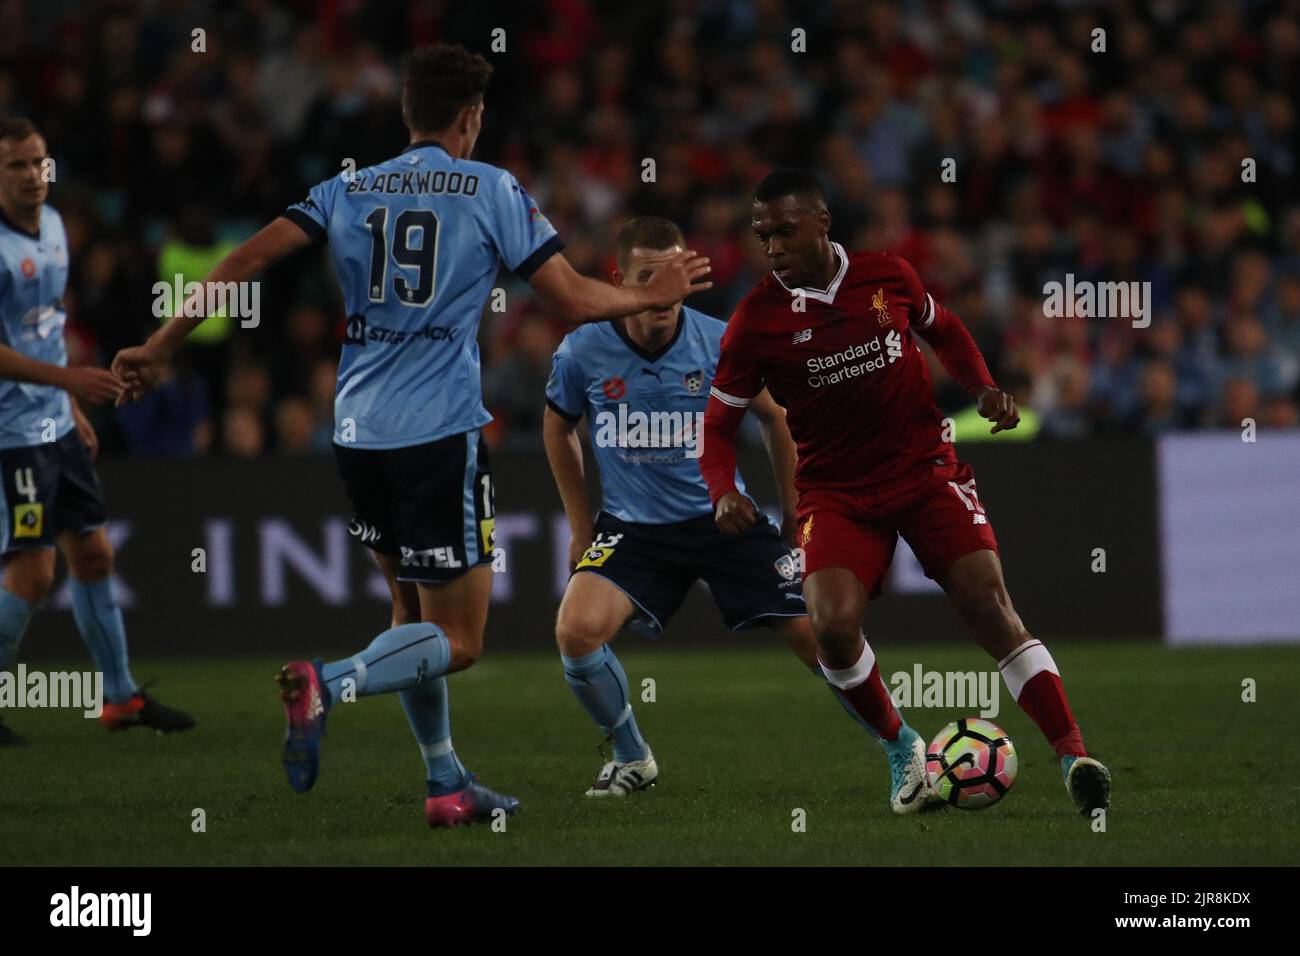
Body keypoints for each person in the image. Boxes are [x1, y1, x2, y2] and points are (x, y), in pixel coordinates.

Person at [111, 45, 710, 826]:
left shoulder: (348, 187)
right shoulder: (492, 188)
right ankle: (328, 681)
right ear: (471, 118)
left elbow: (247, 259)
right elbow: (568, 296)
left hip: (357, 431)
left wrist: (161, 345)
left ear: (407, 114)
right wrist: (652, 294)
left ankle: (446, 783)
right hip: (437, 435)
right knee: (458, 640)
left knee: (409, 615)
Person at [699, 169, 1110, 815]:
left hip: (925, 472)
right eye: (761, 235)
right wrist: (722, 489)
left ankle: (1073, 755)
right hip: (835, 492)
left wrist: (981, 387)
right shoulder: (755, 321)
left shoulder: (886, 275)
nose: (772, 246)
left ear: (822, 222)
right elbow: (719, 423)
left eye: (784, 230)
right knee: (832, 628)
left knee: (988, 600)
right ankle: (901, 746)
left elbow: (941, 328)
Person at [545, 216, 930, 807]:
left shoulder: (719, 341)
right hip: (634, 531)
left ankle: (903, 746)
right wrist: (579, 524)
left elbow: (776, 419)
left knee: (820, 635)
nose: (667, 293)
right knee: (575, 632)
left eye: (678, 277)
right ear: (621, 280)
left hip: (725, 520)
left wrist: (796, 514)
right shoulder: (583, 350)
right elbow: (558, 425)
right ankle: (630, 756)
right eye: (652, 278)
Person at [0, 117, 194, 744]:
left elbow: (45, 327)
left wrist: (72, 406)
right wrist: (69, 383)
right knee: (32, 574)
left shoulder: (55, 226)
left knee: (94, 553)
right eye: (17, 166)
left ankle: (121, 699)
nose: (33, 176)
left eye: (39, 162)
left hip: (55, 422)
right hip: (12, 434)